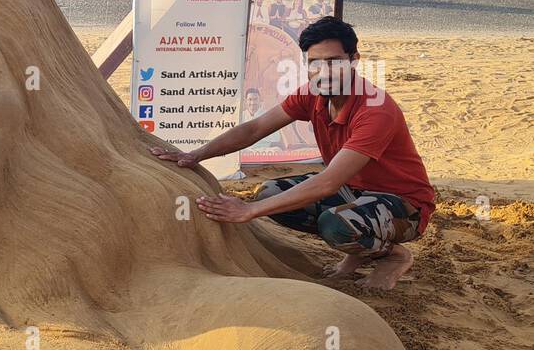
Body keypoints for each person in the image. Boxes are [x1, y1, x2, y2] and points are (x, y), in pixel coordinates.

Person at [150, 17, 436, 291]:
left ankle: (393, 255)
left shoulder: (375, 110)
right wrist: (196, 155)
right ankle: (358, 249)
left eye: (334, 62)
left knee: (335, 224)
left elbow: (328, 183)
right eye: (314, 63)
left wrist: (248, 212)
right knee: (268, 193)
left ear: (354, 60)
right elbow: (255, 128)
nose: (323, 72)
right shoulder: (313, 93)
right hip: (353, 191)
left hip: (404, 204)